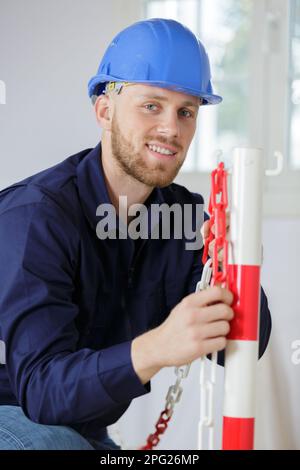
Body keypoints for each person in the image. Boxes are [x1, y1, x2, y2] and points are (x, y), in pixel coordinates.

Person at [0, 18, 271, 450]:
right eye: (152, 105)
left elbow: (239, 345)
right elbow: (41, 392)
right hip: (15, 417)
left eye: (186, 112)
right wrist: (159, 346)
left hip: (81, 431)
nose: (171, 129)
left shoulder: (183, 215)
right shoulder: (37, 217)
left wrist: (237, 262)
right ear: (104, 110)